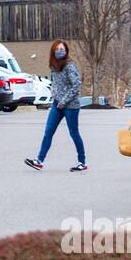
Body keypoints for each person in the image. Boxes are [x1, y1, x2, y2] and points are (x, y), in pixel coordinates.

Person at [25, 39, 88, 172]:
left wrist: (63, 101)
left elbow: (76, 85)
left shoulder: (69, 66)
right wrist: (54, 96)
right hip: (57, 104)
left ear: (66, 51)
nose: (60, 51)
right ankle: (39, 161)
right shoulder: (53, 66)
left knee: (74, 133)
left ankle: (82, 162)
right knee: (48, 132)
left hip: (70, 106)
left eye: (63, 49)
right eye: (58, 49)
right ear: (53, 51)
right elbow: (56, 84)